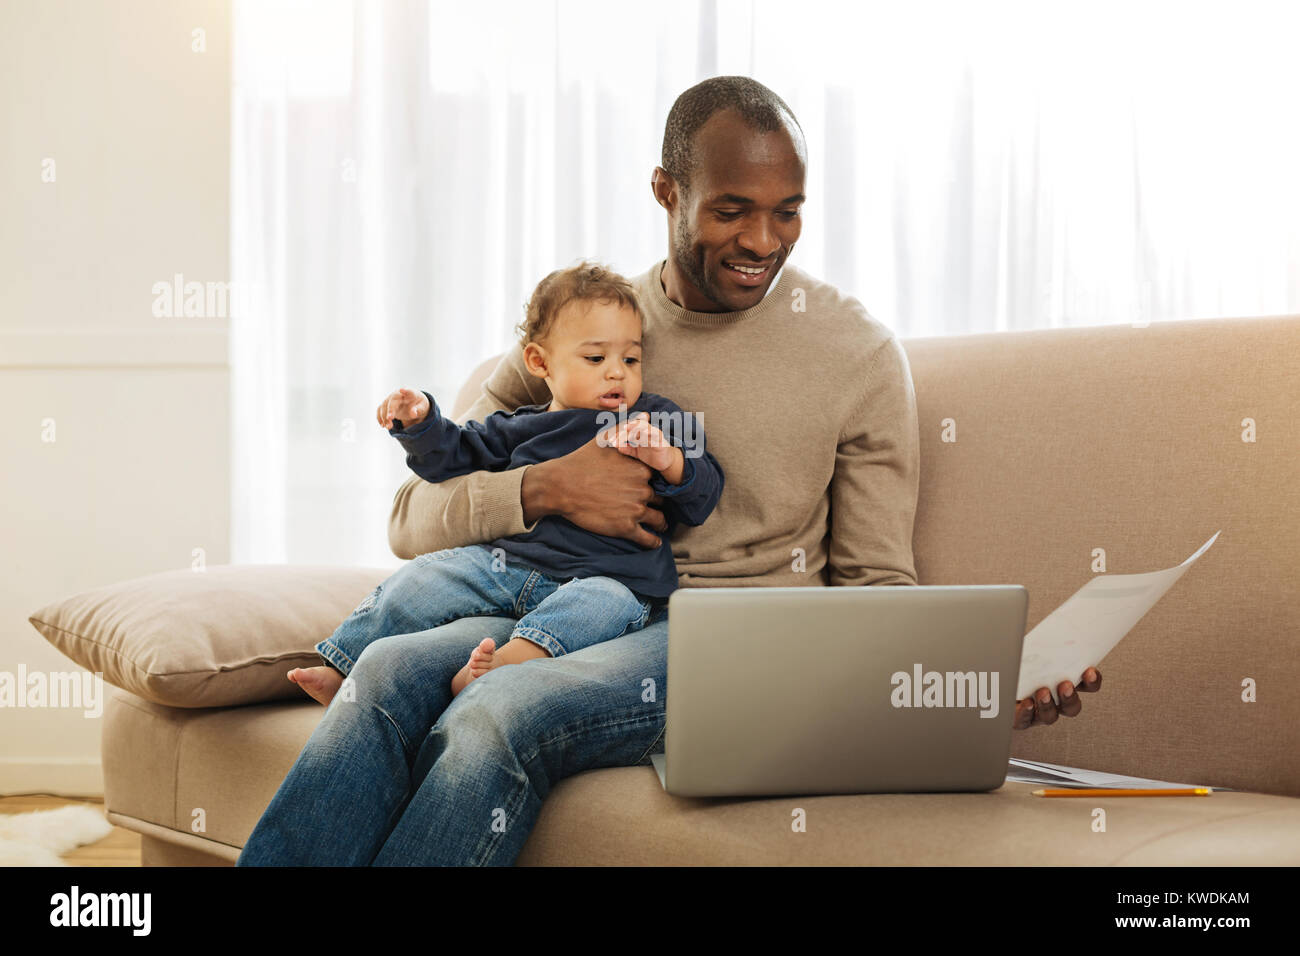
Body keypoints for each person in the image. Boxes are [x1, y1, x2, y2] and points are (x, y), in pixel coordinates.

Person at [238, 75, 1102, 867]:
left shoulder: (857, 353)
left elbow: (877, 580)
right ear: (666, 192)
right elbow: (411, 519)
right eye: (732, 210)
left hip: (728, 646)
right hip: (561, 601)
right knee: (384, 673)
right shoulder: (590, 330)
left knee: (498, 711)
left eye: (788, 212)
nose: (763, 241)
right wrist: (546, 489)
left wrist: (969, 687)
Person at [285, 262, 722, 702]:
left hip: (608, 575)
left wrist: (669, 460)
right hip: (507, 566)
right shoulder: (520, 426)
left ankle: (512, 660)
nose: (617, 372)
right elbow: (453, 456)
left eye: (631, 358)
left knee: (605, 605)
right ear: (539, 361)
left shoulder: (653, 419)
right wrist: (421, 423)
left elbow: (704, 495)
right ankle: (343, 667)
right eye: (595, 358)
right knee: (423, 576)